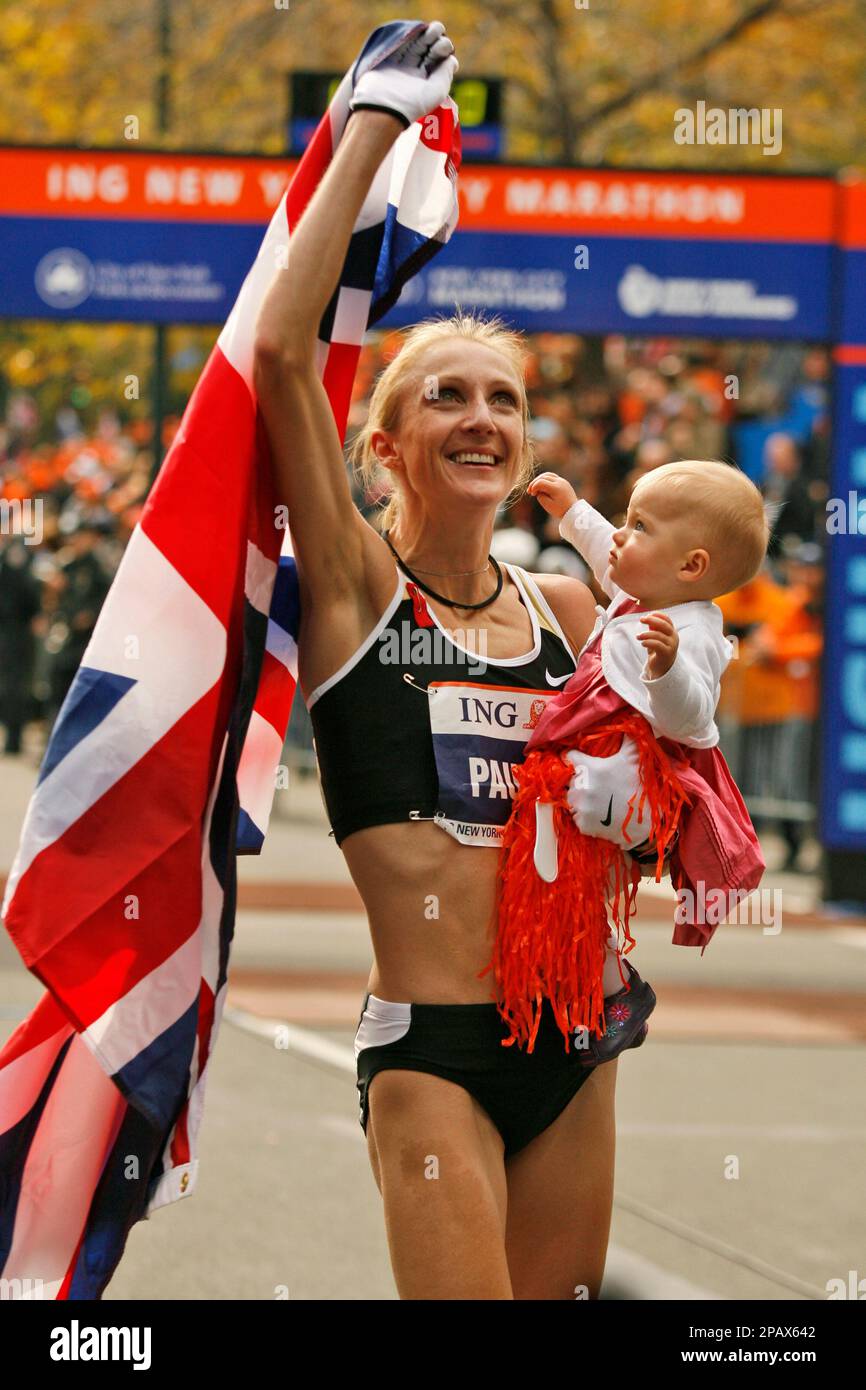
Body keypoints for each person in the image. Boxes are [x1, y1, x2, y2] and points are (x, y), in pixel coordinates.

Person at [252, 21, 634, 1300]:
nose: (479, 417)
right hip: (431, 1050)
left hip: (574, 1038)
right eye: (444, 397)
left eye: (501, 398)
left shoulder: (573, 616)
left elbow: (646, 821)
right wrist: (369, 124)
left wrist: (651, 820)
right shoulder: (359, 588)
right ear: (382, 449)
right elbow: (278, 356)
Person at [485, 462, 766, 1060]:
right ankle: (589, 982)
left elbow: (692, 719)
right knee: (563, 878)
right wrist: (571, 513)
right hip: (595, 769)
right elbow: (603, 551)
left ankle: (616, 991)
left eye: (638, 525)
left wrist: (667, 672)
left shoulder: (693, 629)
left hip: (627, 778)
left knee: (568, 877)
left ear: (691, 566)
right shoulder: (641, 592)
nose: (619, 534)